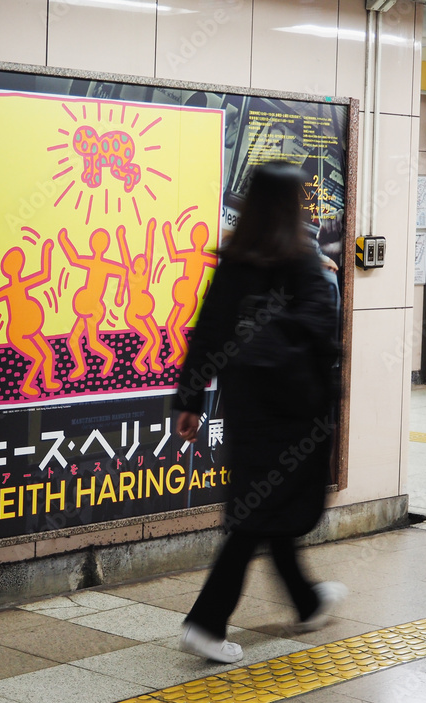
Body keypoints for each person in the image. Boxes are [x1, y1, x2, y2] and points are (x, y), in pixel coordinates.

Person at [174, 162, 346, 663]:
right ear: (292, 205)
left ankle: (306, 600)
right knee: (257, 514)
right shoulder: (300, 262)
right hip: (295, 411)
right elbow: (322, 332)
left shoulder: (237, 261)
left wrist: (190, 400)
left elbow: (205, 332)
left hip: (247, 407)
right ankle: (205, 623)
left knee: (266, 504)